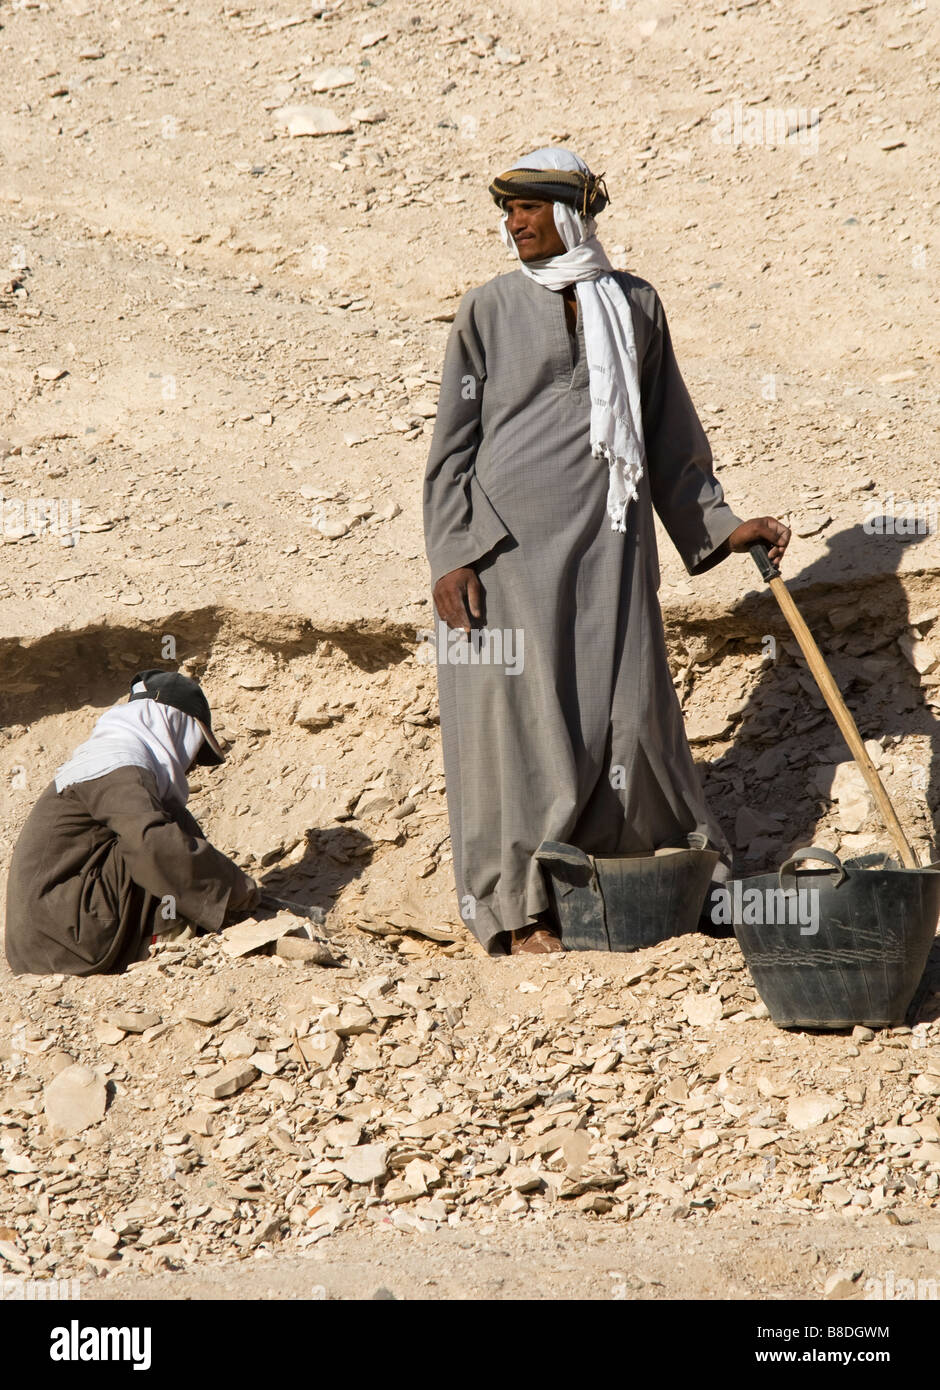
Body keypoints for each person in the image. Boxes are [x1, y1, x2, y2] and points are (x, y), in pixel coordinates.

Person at [423, 147, 790, 956]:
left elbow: (666, 432)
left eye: (528, 208)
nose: (512, 223)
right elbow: (451, 448)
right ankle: (519, 910)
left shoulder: (636, 305)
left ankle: (668, 883)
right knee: (518, 722)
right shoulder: (486, 310)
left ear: (572, 214)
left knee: (631, 713)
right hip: (505, 556)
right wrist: (453, 553)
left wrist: (720, 525)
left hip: (613, 545)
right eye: (507, 210)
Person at [3, 669, 260, 975]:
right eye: (195, 749)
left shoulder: (102, 758)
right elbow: (153, 845)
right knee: (161, 841)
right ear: (173, 725)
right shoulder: (118, 762)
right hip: (69, 940)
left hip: (45, 942)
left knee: (163, 828)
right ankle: (168, 947)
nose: (192, 764)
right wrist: (241, 889)